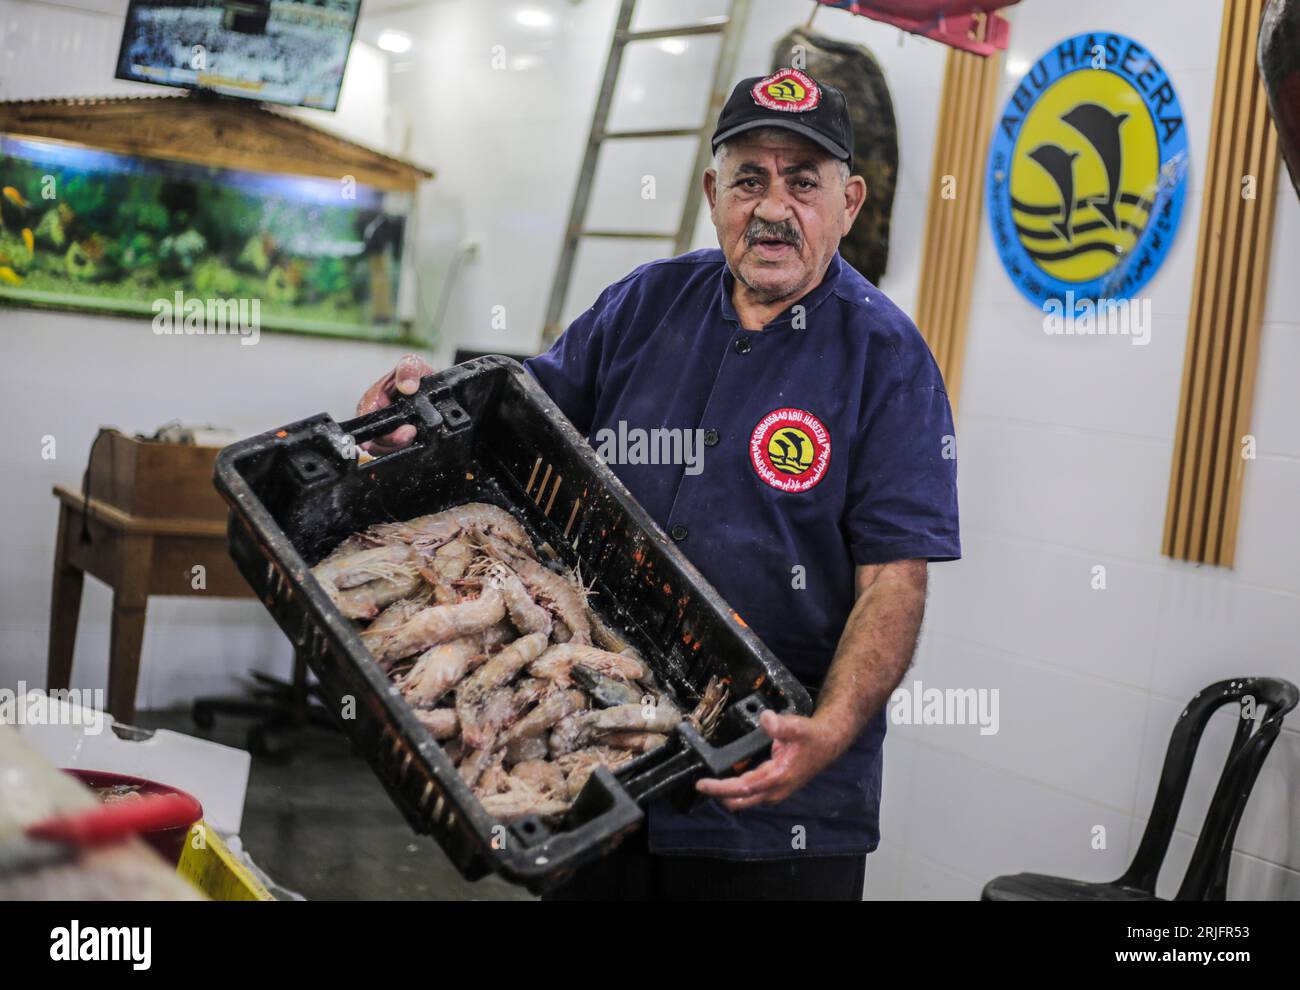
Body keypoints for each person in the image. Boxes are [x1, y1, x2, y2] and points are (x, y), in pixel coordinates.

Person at [357, 70, 960, 900]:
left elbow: (895, 578)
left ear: (849, 203)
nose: (774, 207)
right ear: (714, 193)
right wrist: (416, 421)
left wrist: (829, 729)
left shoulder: (888, 360)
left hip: (774, 805)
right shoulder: (644, 305)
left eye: (803, 183)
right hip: (602, 781)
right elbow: (516, 420)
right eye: (750, 179)